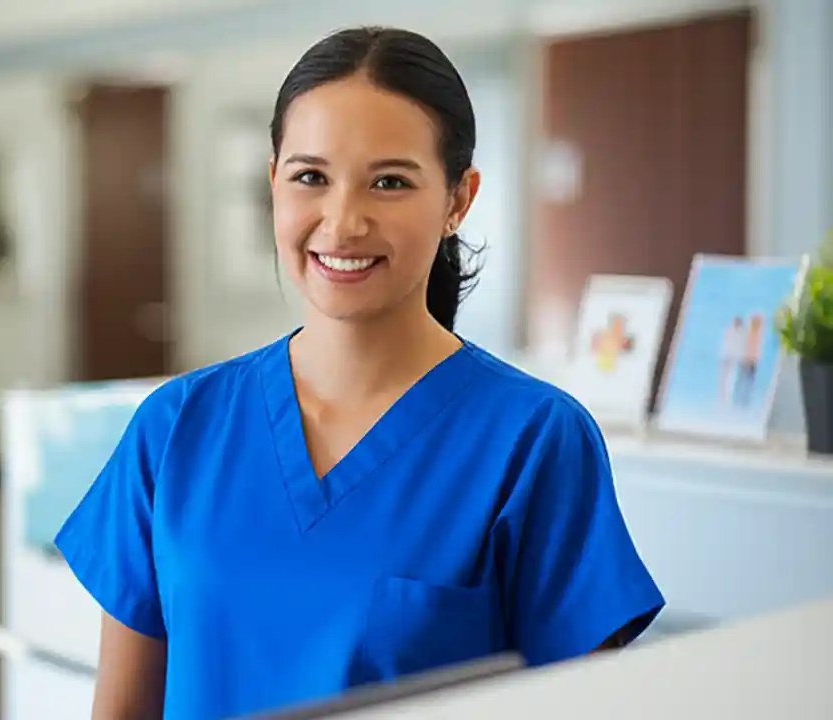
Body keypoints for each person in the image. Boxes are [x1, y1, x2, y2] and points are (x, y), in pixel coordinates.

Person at [55, 26, 664, 720]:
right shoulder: (174, 430)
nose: (342, 222)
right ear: (274, 183)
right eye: (310, 176)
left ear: (458, 200)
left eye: (390, 182)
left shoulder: (533, 442)